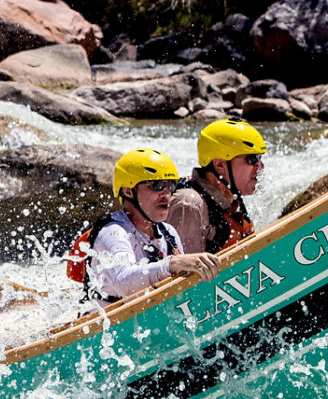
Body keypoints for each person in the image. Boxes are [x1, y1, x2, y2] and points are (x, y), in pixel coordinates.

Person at [67, 148, 222, 304]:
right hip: (110, 322)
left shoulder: (168, 232)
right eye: (156, 185)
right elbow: (124, 282)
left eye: (170, 185)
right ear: (128, 191)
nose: (166, 193)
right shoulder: (113, 232)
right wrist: (173, 263)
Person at [167, 117, 266, 256]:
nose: (261, 166)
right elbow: (186, 276)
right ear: (219, 165)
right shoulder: (189, 204)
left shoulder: (230, 200)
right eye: (252, 159)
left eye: (260, 158)